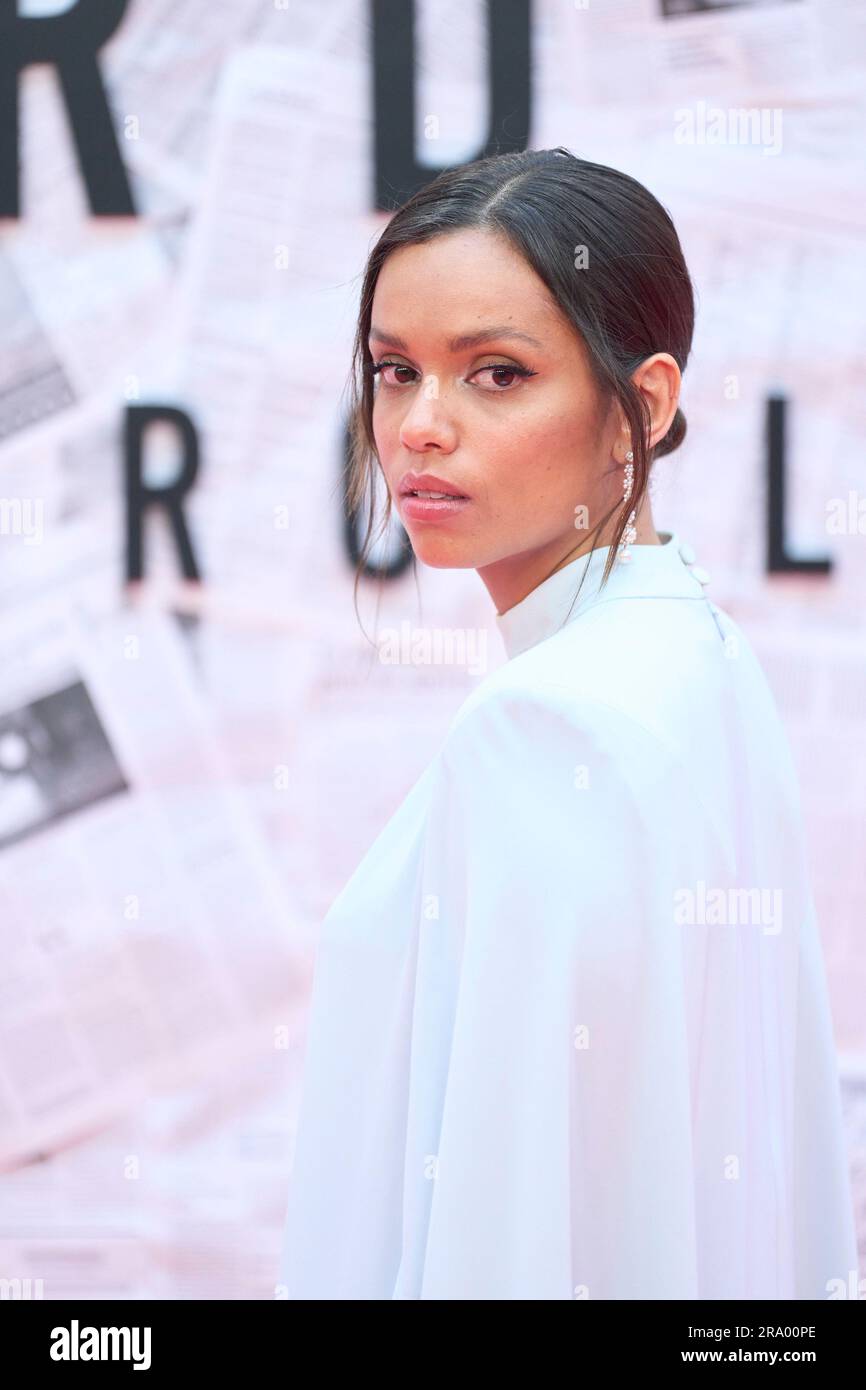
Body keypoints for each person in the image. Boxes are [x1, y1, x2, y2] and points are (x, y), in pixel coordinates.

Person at [277, 147, 858, 1299]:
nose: (420, 427)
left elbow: (505, 1227)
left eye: (495, 373)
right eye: (395, 371)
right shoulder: (698, 651)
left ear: (637, 404)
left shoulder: (547, 725)